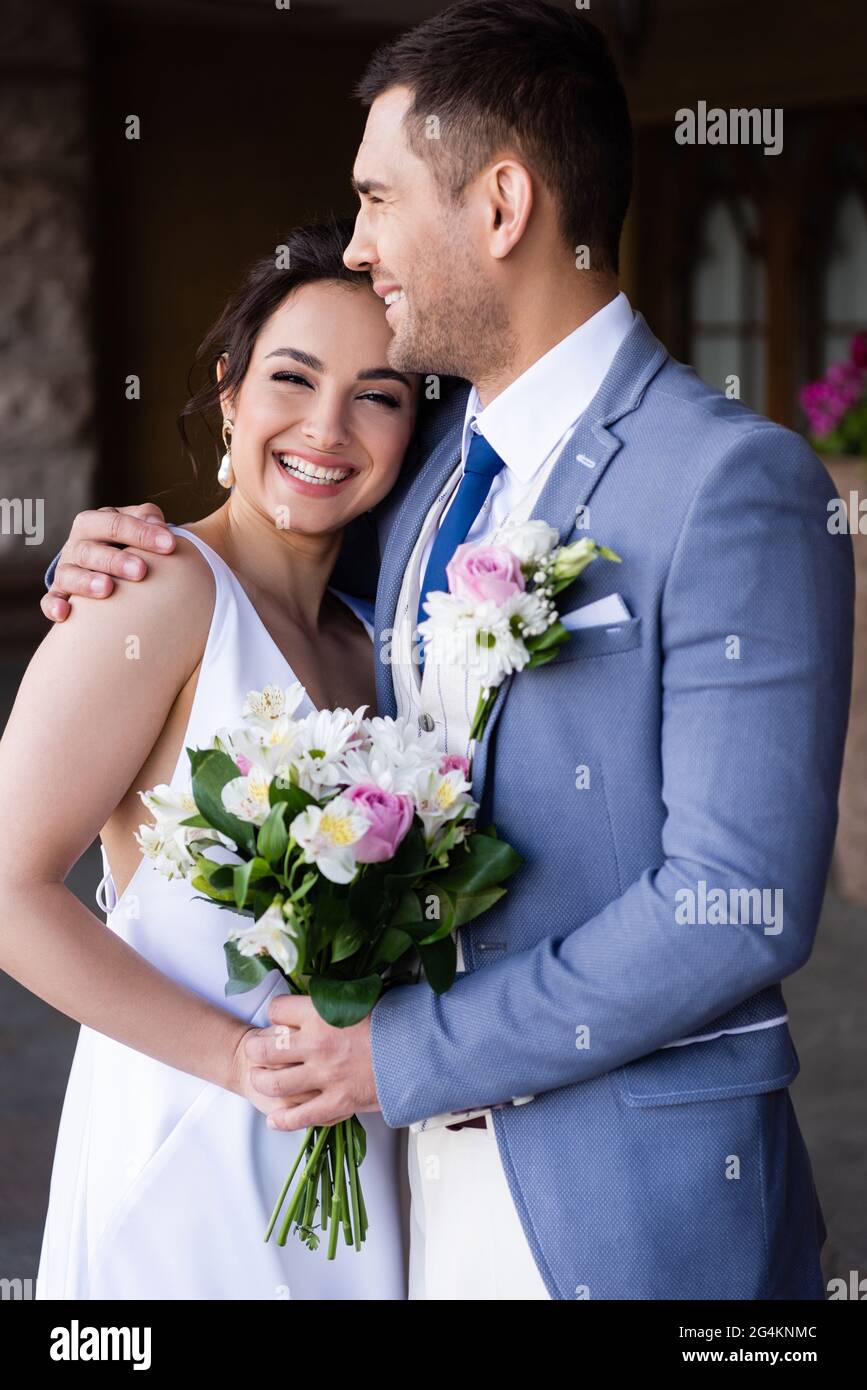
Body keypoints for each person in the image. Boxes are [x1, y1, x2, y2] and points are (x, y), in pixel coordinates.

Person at [38, 1, 854, 1300]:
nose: (361, 243)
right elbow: (267, 575)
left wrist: (396, 1057)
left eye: (376, 197)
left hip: (619, 1201)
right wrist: (105, 551)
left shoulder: (725, 481)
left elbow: (733, 897)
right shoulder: (428, 484)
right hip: (396, 1196)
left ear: (500, 203)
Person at [1, 218, 421, 1299]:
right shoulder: (157, 587)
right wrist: (236, 1061)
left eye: (377, 394)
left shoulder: (377, 646)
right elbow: (8, 889)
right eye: (293, 377)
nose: (327, 428)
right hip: (186, 1159)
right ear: (229, 392)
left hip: (351, 1163)